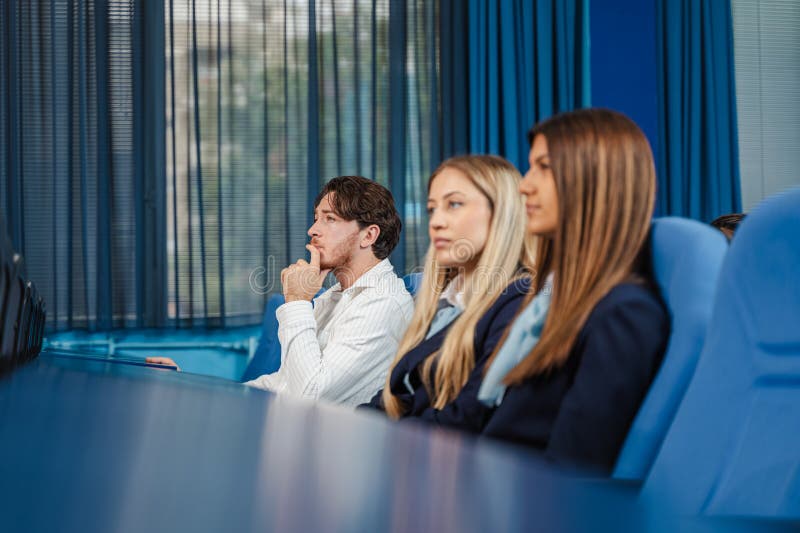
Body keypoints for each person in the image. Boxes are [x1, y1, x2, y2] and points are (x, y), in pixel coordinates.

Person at [477, 108, 670, 475]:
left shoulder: (623, 315)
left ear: (595, 179)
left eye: (544, 167)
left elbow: (572, 472)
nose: (524, 184)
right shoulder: (555, 301)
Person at [149, 176, 414, 407]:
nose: (312, 230)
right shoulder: (337, 296)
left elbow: (308, 394)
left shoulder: (382, 302)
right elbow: (282, 384)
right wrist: (189, 386)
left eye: (329, 219)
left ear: (368, 236)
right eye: (315, 219)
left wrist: (298, 301)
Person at [362, 155, 532, 430]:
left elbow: (465, 420)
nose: (436, 221)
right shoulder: (442, 301)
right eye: (432, 208)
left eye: (454, 204)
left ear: (502, 212)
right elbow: (393, 400)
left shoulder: (519, 301)